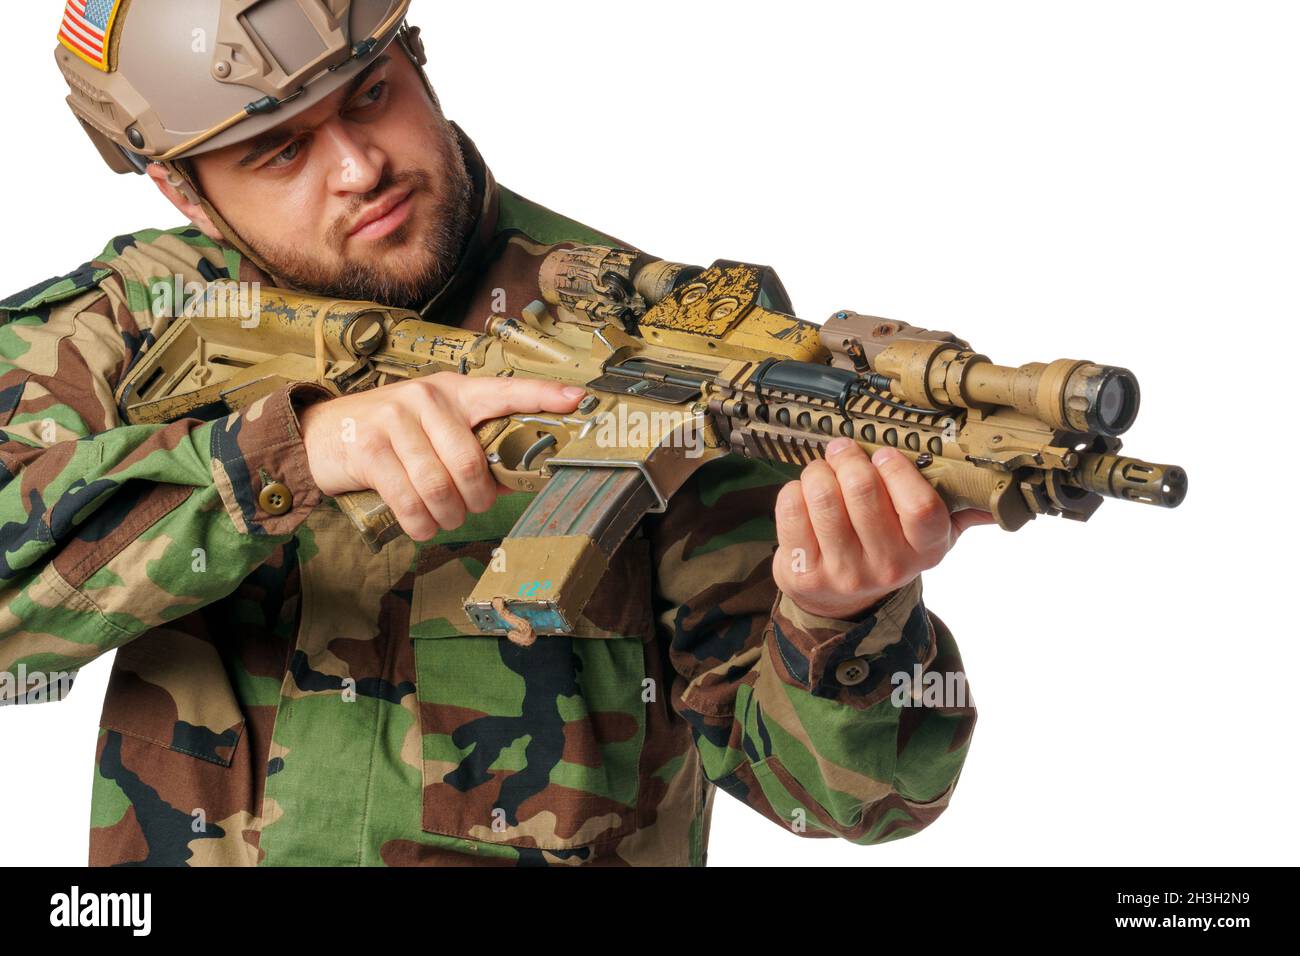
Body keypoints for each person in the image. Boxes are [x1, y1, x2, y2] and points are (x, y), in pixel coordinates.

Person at [0, 0, 993, 866]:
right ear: (183, 189)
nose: (357, 168)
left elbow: (849, 800)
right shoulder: (128, 326)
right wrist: (288, 456)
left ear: (415, 60)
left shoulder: (668, 349)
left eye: (368, 92)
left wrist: (840, 618)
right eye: (281, 149)